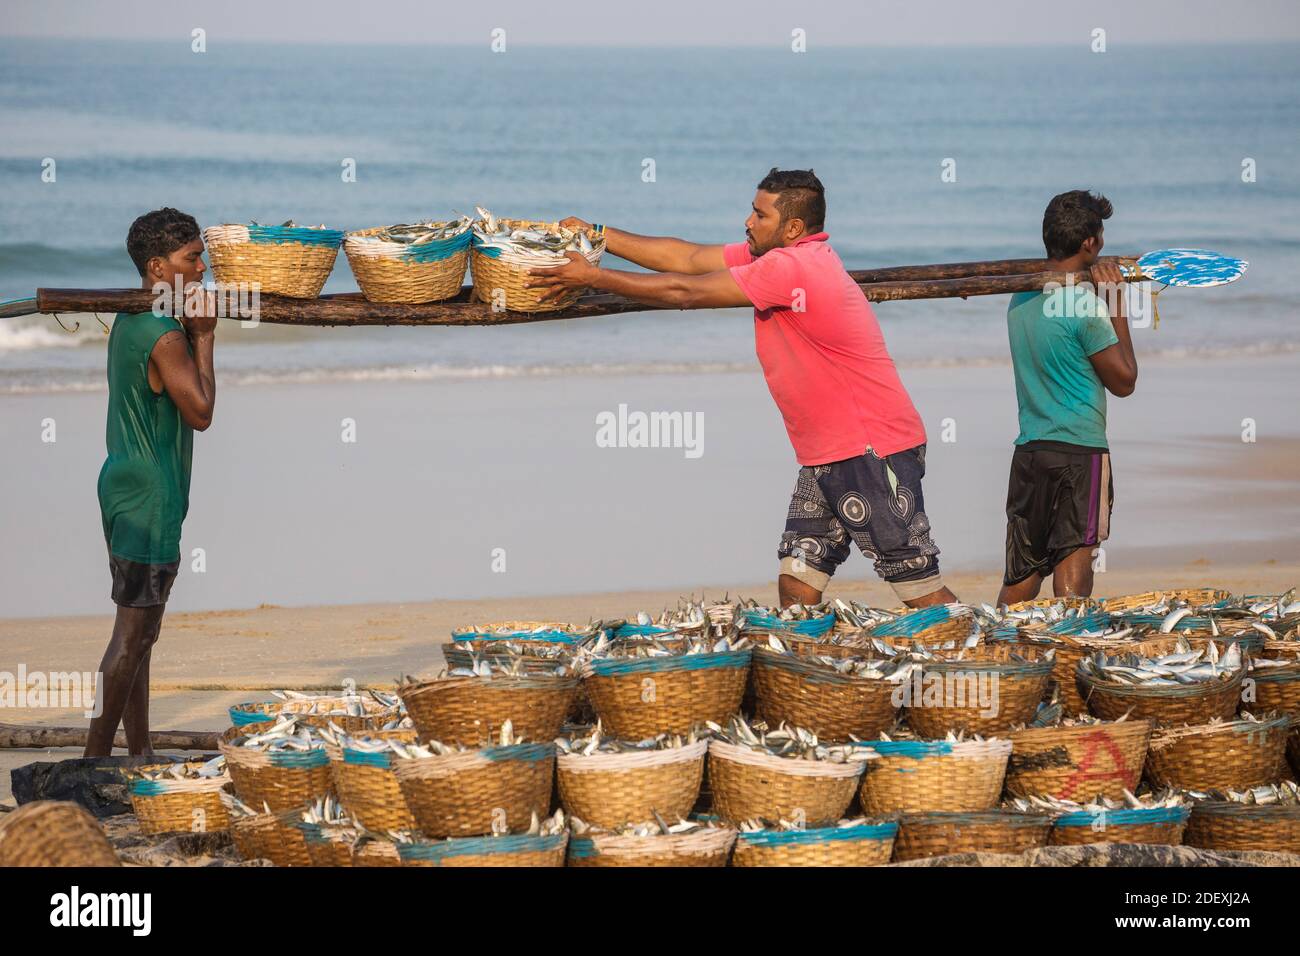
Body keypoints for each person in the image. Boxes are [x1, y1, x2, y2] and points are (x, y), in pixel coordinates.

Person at [529, 168, 956, 608]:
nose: (748, 223)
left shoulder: (791, 267)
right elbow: (688, 259)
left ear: (792, 228)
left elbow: (684, 293)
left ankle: (991, 660)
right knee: (798, 579)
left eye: (759, 215)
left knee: (917, 586)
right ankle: (804, 672)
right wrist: (597, 234)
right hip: (827, 454)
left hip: (870, 448)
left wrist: (597, 278)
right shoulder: (778, 258)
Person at [84, 208, 217, 757]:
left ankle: (138, 753)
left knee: (141, 636)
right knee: (131, 637)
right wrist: (205, 337)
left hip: (123, 485)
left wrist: (189, 328)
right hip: (151, 500)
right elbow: (202, 412)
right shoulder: (165, 336)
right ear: (159, 267)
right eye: (193, 258)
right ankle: (93, 760)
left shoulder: (133, 321)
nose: (204, 267)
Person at [997, 190, 1138, 604]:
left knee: (1022, 576)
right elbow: (1125, 381)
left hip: (1030, 452)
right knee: (1072, 579)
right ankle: (1067, 659)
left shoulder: (1020, 297)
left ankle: (1000, 647)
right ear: (1090, 243)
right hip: (1079, 453)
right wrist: (1115, 302)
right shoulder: (1085, 306)